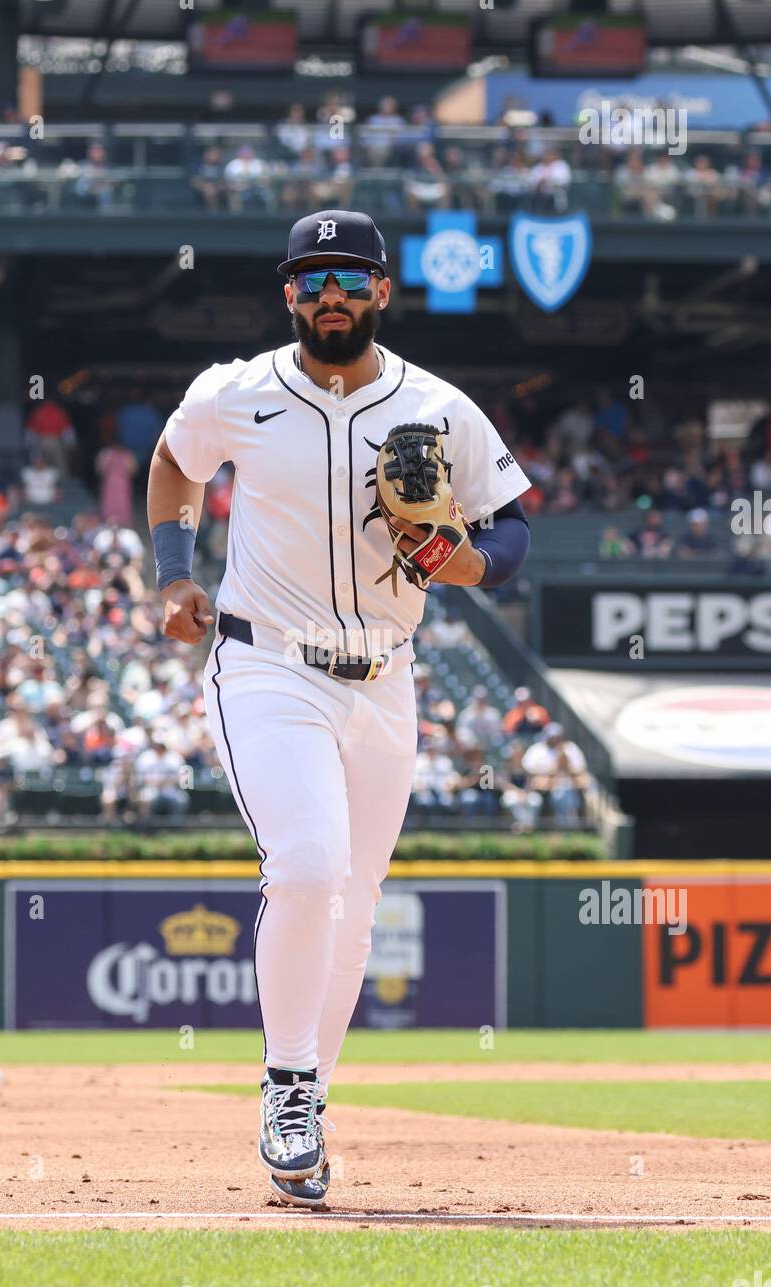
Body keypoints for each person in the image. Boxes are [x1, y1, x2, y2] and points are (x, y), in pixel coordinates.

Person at [147, 208, 531, 1208]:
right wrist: (169, 576)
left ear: (382, 292)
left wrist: (465, 559)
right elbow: (175, 461)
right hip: (266, 664)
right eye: (311, 277)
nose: (330, 293)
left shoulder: (440, 405)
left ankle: (309, 1096)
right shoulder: (235, 393)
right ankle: (283, 1086)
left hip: (387, 677)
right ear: (287, 295)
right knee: (310, 863)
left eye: (349, 277)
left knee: (355, 910)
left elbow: (513, 527)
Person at [95, 439, 137, 524]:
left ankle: (123, 521)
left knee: (123, 502)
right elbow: (99, 469)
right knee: (109, 502)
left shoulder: (127, 455)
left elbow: (132, 470)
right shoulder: (106, 454)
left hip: (123, 483)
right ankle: (109, 521)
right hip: (109, 483)